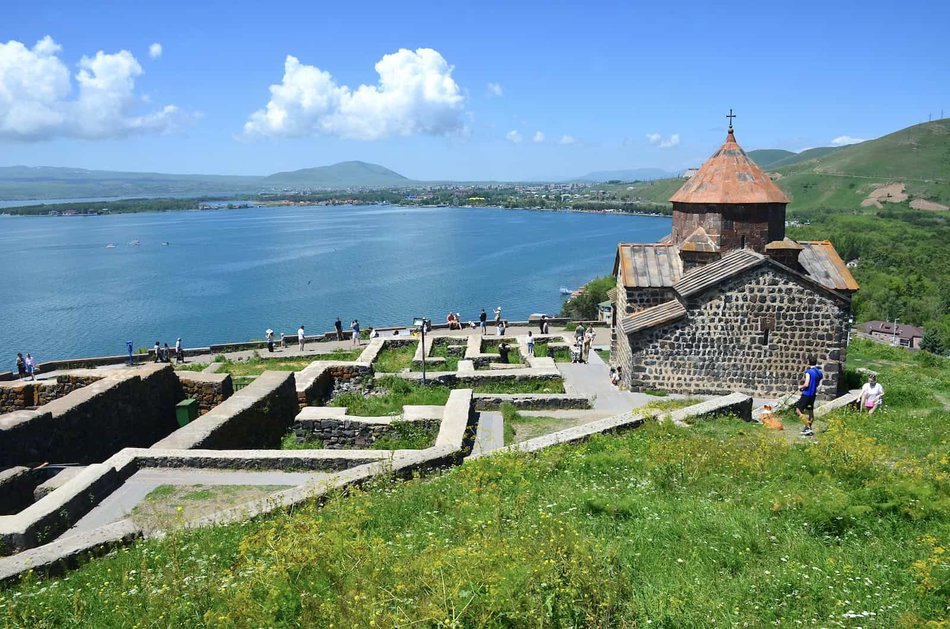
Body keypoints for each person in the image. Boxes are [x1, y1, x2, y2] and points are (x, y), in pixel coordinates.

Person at [795, 356, 823, 437]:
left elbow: (806, 384)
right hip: (813, 394)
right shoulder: (819, 372)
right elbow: (817, 383)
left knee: (798, 410)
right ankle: (808, 428)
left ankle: (808, 427)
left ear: (808, 362)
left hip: (806, 394)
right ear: (816, 362)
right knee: (810, 412)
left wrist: (801, 387)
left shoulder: (809, 372)